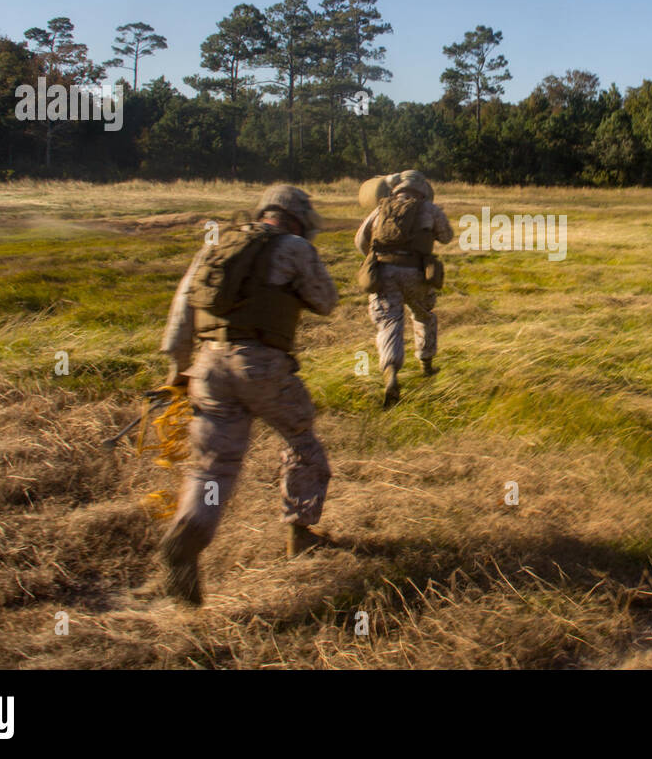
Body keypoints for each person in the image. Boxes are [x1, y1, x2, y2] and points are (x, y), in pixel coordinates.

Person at [152, 185, 338, 605]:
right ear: (300, 220)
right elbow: (326, 301)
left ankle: (189, 533)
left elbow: (182, 308)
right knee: (302, 441)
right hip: (261, 364)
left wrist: (177, 370)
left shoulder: (217, 244)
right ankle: (300, 532)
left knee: (213, 466)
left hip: (208, 366)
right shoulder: (293, 247)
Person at [354, 171, 454, 408]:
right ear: (424, 191)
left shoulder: (381, 208)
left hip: (384, 273)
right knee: (423, 316)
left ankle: (391, 372)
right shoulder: (429, 209)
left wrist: (377, 257)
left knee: (389, 322)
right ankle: (426, 364)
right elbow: (447, 236)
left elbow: (360, 240)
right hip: (416, 274)